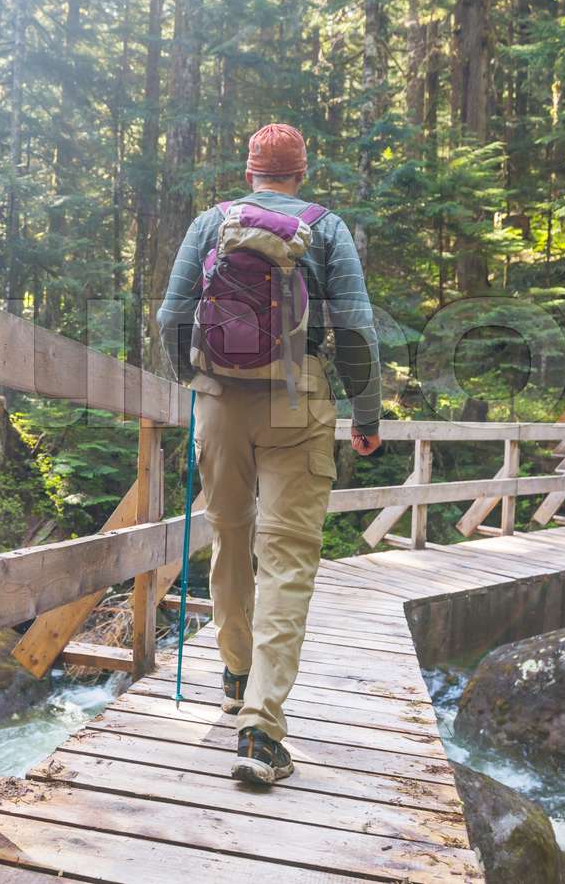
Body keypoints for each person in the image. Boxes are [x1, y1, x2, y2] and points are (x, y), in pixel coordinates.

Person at [156, 122, 383, 785]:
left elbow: (172, 314)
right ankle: (259, 729)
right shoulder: (327, 228)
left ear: (249, 169)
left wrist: (190, 378)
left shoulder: (211, 223)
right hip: (297, 397)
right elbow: (357, 328)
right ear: (300, 171)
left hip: (221, 398)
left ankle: (234, 673)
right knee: (286, 557)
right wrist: (365, 413)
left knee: (229, 533)